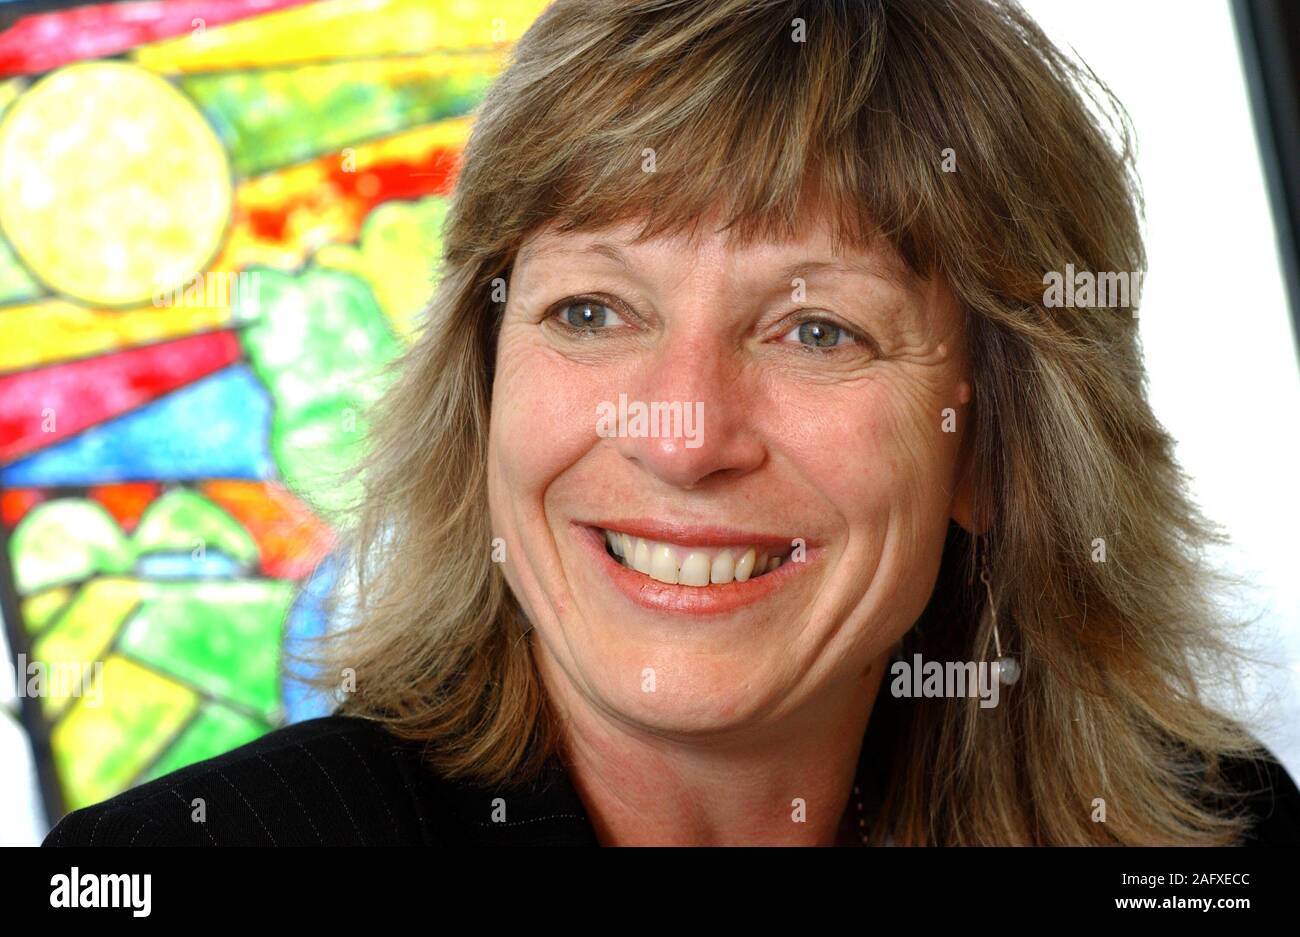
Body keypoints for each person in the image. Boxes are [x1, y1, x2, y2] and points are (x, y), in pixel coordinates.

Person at [45, 0, 1300, 846]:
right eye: (592, 311)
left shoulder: (1215, 835)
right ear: (484, 385)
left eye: (818, 332)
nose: (683, 432)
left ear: (1001, 447)